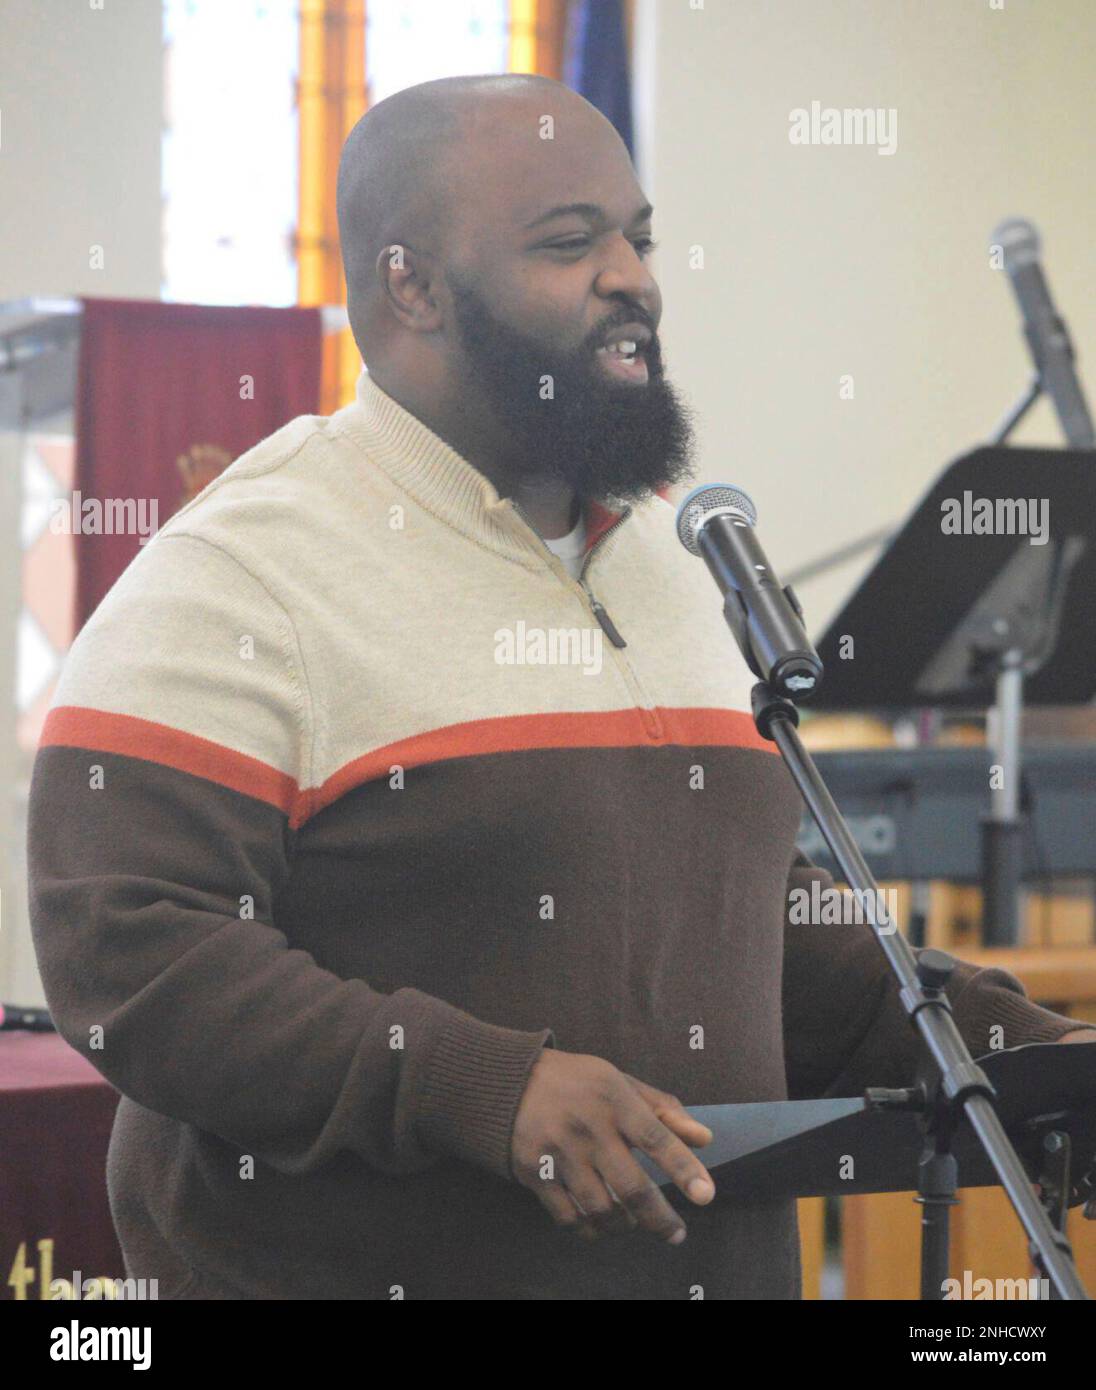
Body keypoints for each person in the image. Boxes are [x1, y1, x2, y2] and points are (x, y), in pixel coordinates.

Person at [27, 74, 1093, 1301]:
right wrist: (486, 1089)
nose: (633, 278)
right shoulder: (243, 570)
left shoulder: (676, 559)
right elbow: (131, 955)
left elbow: (748, 929)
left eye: (638, 237)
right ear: (410, 285)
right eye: (569, 243)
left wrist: (1025, 1056)